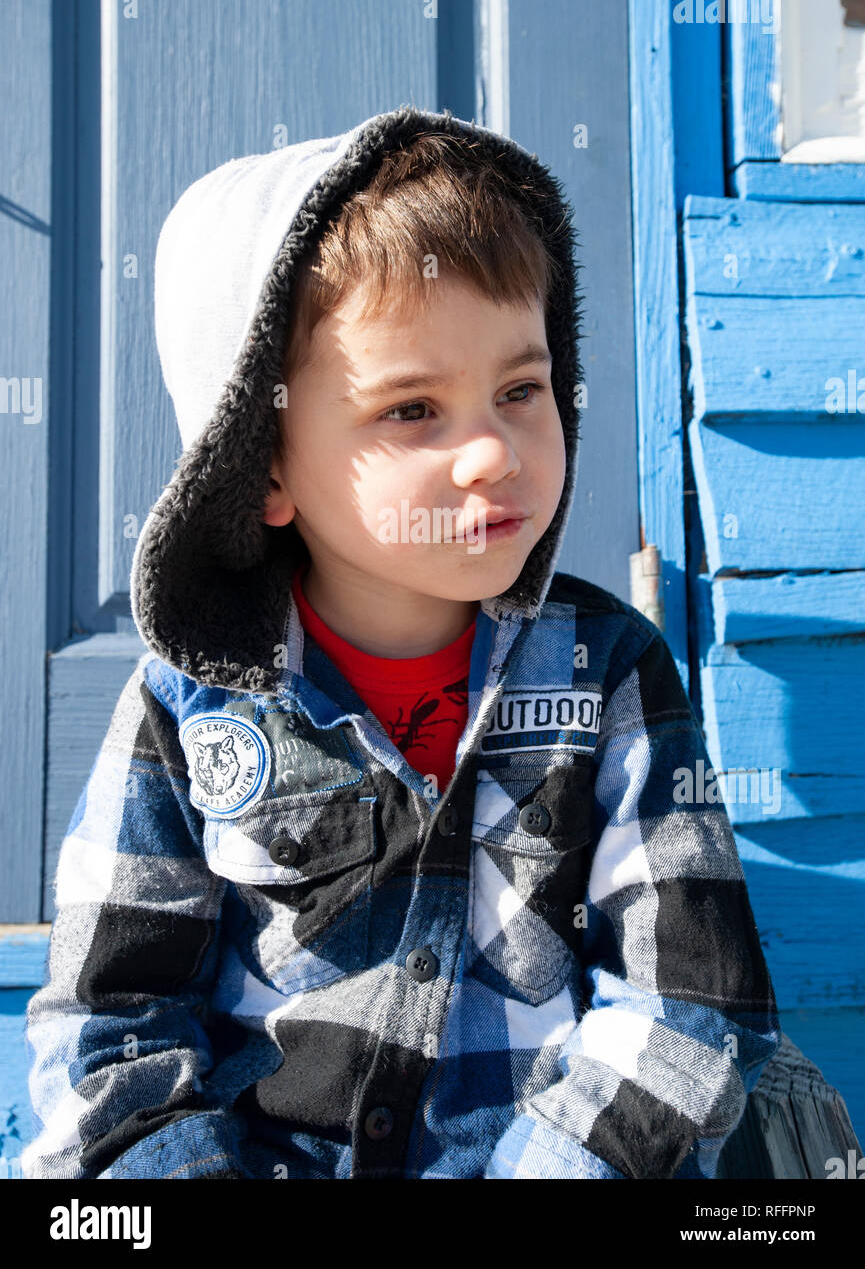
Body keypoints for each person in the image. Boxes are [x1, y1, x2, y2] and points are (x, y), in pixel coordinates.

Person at [21, 105, 780, 1180]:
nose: (492, 452)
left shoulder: (606, 672)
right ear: (263, 468)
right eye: (414, 410)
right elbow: (107, 1024)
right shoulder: (189, 709)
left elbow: (690, 1001)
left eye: (521, 389)